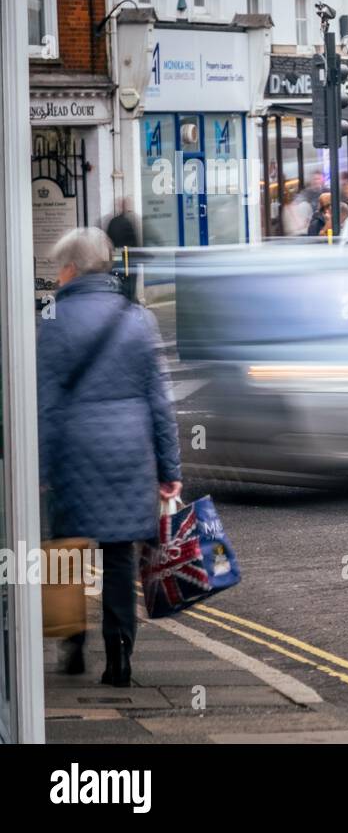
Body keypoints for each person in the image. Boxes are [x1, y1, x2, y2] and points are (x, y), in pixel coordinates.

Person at [37, 228, 182, 687]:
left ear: (72, 269)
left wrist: (38, 467)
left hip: (72, 454)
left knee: (65, 552)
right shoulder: (137, 317)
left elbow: (44, 402)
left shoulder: (53, 317)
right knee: (119, 557)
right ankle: (120, 657)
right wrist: (169, 470)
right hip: (128, 455)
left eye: (59, 266)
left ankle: (72, 649)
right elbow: (160, 401)